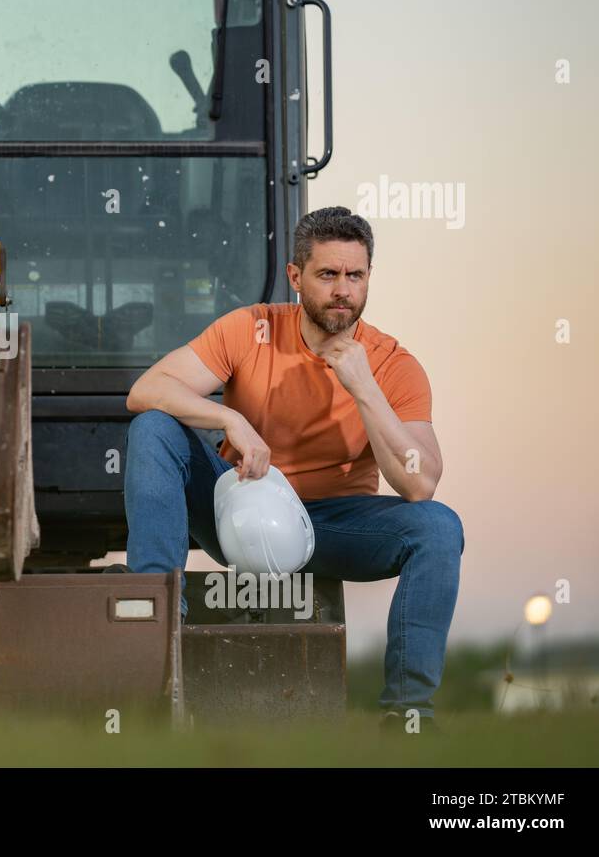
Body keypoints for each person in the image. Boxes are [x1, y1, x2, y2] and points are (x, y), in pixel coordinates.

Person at [123, 206, 463, 733]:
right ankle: (156, 644)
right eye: (327, 275)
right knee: (153, 428)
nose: (342, 290)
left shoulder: (394, 364)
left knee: (440, 528)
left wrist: (363, 386)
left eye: (355, 275)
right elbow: (146, 390)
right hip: (236, 508)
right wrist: (227, 417)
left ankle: (406, 713)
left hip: (330, 527)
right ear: (296, 276)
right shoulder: (249, 329)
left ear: (370, 276)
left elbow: (419, 482)